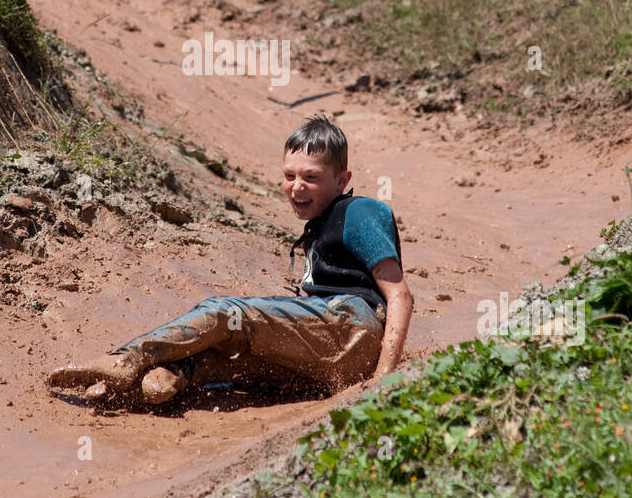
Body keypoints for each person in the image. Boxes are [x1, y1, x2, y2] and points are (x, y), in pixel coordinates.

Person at [47, 113, 414, 406]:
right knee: (225, 363)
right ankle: (149, 382)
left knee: (225, 313)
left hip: (351, 326)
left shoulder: (360, 210)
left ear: (342, 178)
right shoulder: (319, 225)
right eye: (289, 175)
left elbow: (400, 295)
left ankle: (125, 361)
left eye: (311, 177)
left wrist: (384, 379)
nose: (297, 187)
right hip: (333, 359)